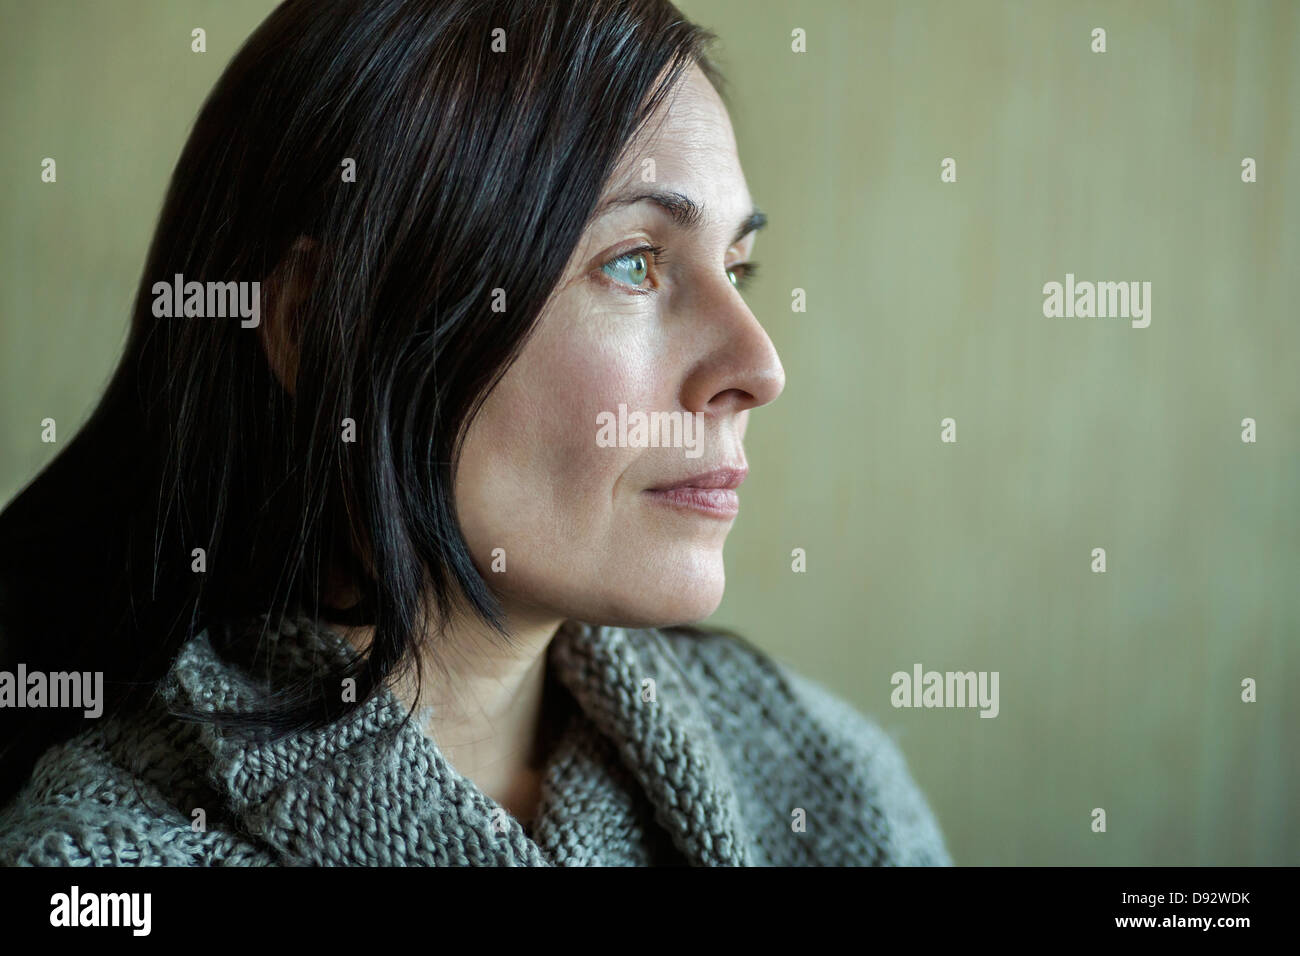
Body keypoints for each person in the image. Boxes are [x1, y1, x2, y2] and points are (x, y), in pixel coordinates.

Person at [0, 0, 952, 866]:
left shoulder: (833, 789)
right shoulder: (99, 863)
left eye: (736, 269)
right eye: (633, 264)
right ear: (318, 325)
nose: (758, 369)